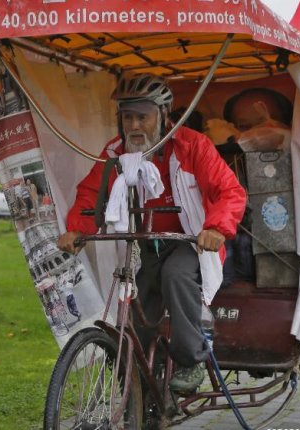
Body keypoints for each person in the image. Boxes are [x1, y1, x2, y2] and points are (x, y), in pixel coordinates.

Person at [57, 73, 246, 393]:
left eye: (142, 117)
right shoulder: (115, 153)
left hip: (191, 244)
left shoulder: (191, 145)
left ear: (164, 116)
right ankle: (135, 380)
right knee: (136, 304)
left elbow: (229, 192)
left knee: (175, 276)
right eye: (127, 117)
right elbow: (91, 194)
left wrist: (215, 228)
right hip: (147, 246)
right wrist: (77, 228)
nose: (134, 125)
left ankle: (190, 360)